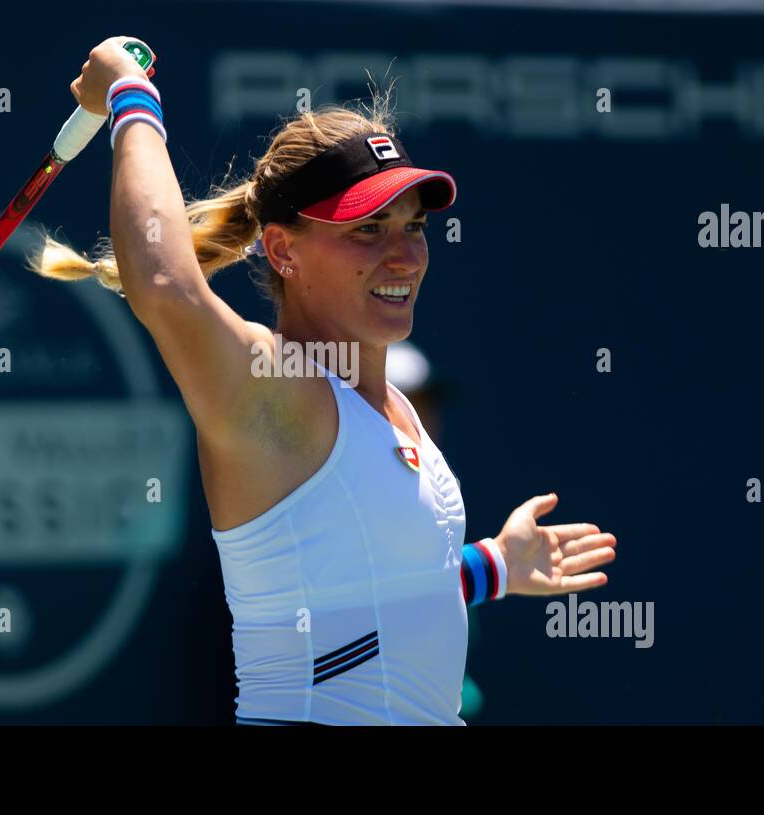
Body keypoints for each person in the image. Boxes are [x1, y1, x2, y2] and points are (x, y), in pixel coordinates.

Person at [32, 36, 618, 725]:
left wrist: (492, 566)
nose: (405, 254)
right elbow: (163, 282)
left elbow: (368, 599)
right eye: (369, 230)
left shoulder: (392, 408)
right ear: (283, 249)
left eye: (414, 225)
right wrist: (132, 94)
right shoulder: (277, 391)